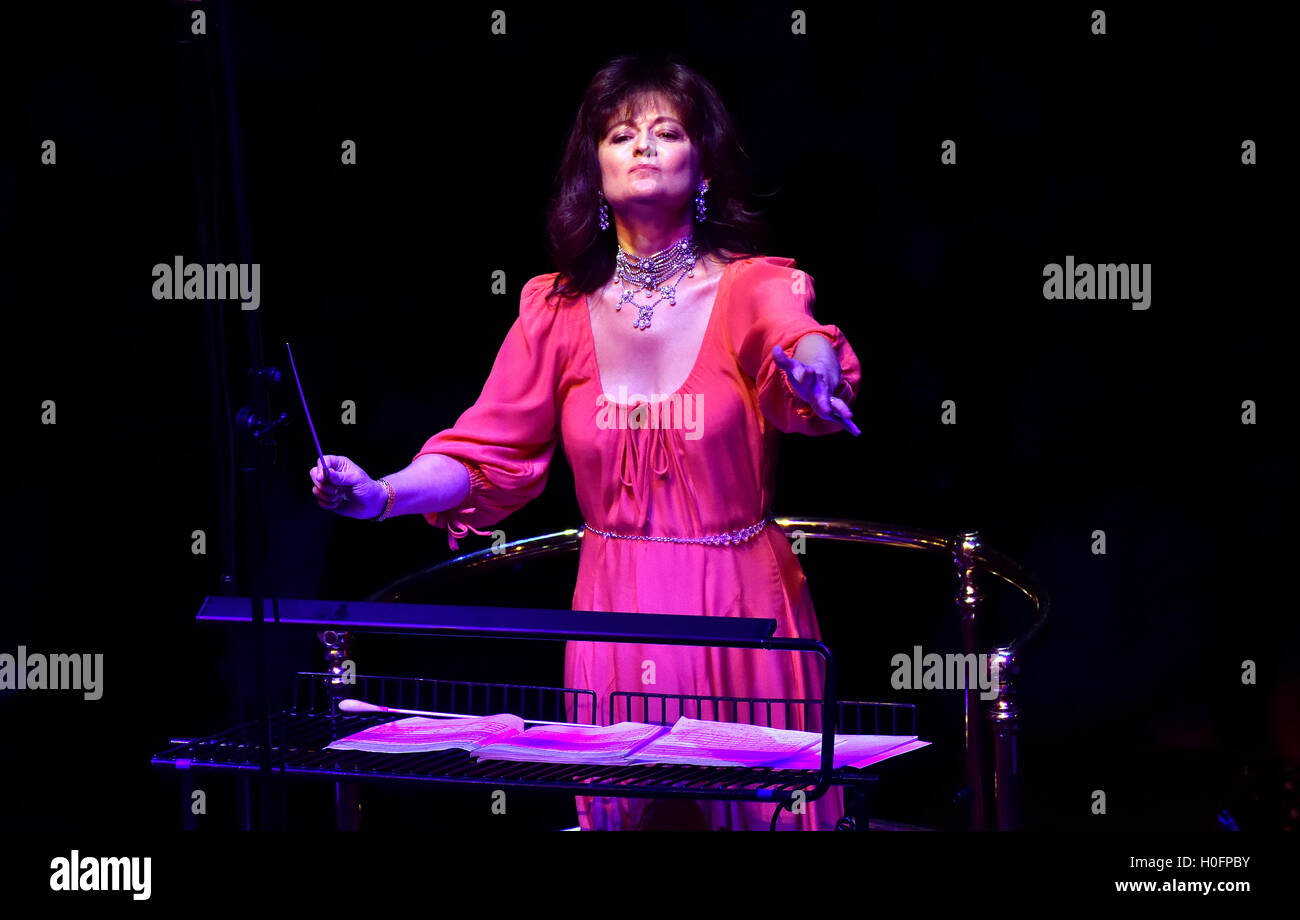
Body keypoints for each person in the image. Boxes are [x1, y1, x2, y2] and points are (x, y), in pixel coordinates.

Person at [309, 54, 862, 830]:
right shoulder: (555, 309)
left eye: (667, 132)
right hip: (611, 610)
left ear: (701, 169)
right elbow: (482, 453)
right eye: (621, 134)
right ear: (595, 172)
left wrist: (814, 371)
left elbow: (797, 337)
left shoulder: (750, 285)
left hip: (739, 607)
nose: (642, 146)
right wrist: (382, 495)